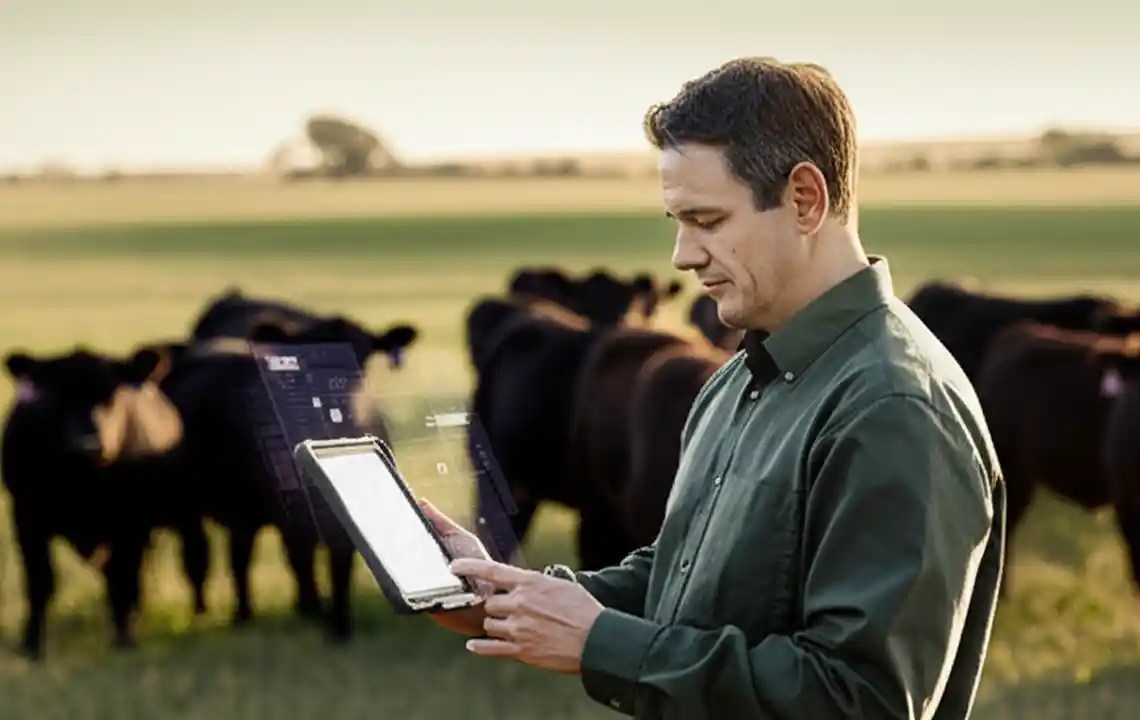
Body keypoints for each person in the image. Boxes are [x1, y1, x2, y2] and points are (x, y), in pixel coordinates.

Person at [422, 56, 1007, 719]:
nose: (682, 254)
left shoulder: (895, 406)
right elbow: (688, 581)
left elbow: (859, 700)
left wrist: (601, 643)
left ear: (804, 199)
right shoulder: (740, 377)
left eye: (707, 220)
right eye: (677, 221)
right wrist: (512, 594)